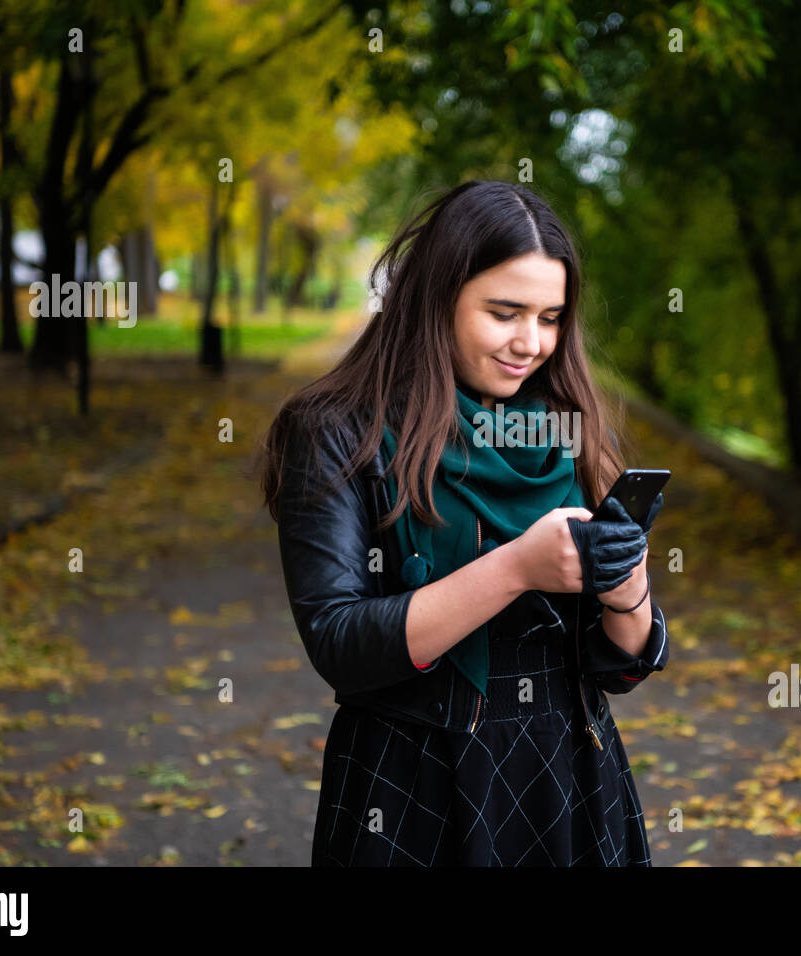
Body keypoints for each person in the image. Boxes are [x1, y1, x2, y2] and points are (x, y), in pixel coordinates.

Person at [258, 180, 669, 866]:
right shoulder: (335, 431)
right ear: (437, 296)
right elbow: (338, 642)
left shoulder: (569, 426)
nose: (530, 342)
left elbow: (622, 668)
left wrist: (626, 583)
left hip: (568, 776)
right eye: (505, 312)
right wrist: (516, 569)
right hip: (410, 783)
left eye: (550, 317)